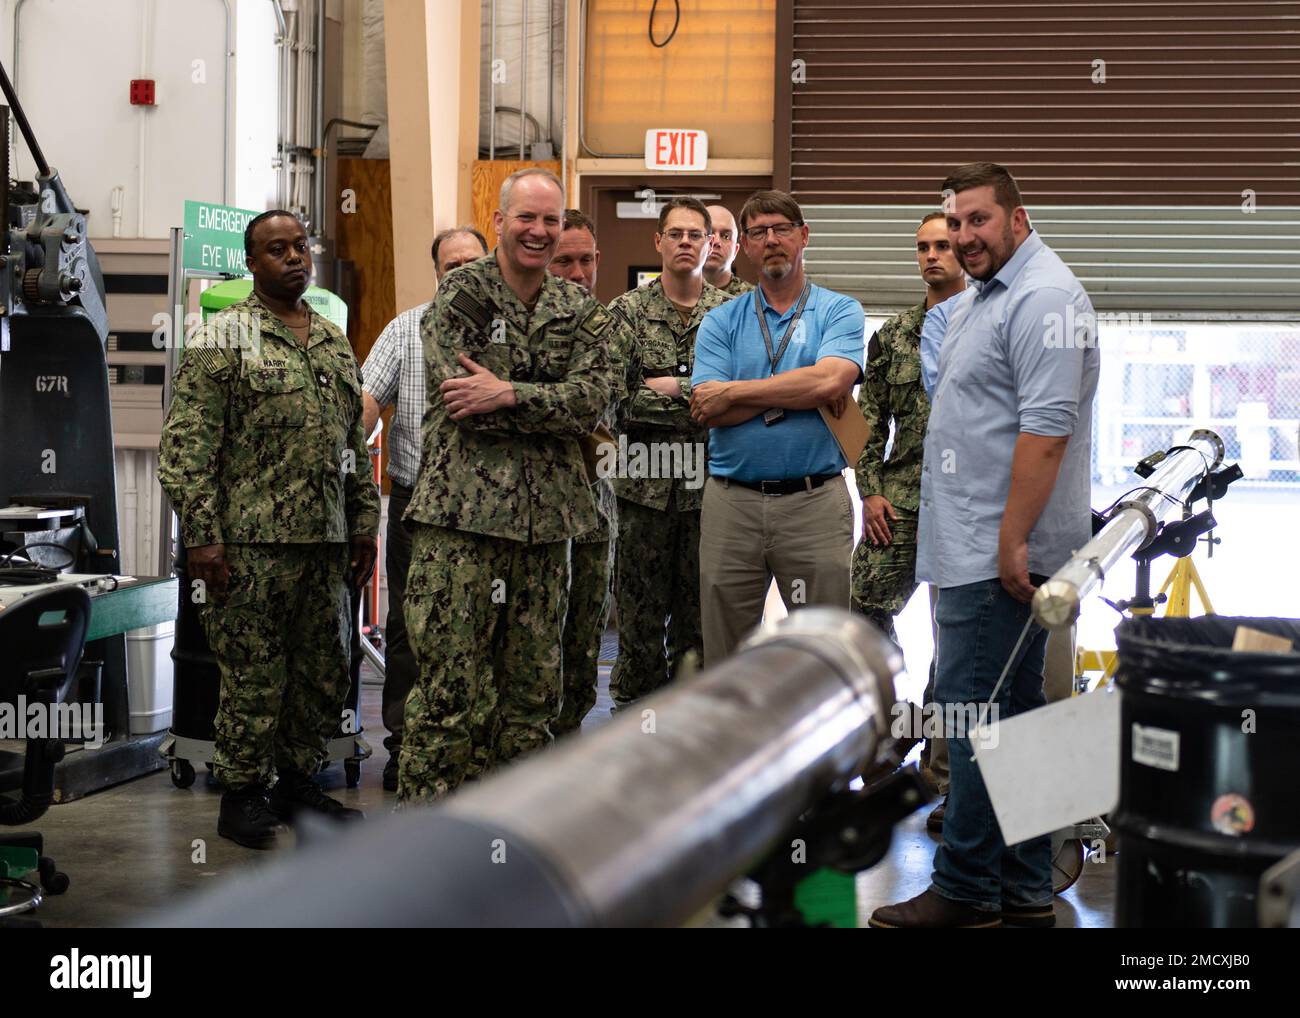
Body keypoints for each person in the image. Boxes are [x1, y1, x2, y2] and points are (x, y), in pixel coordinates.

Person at [870, 162, 1099, 929]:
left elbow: (1046, 430)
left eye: (979, 220)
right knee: (1016, 719)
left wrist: (1012, 540)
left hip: (997, 551)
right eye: (955, 222)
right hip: (974, 542)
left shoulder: (1042, 298)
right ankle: (1024, 886)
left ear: (1017, 218)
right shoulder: (989, 297)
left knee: (972, 718)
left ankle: (966, 890)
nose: (964, 236)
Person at [159, 209, 379, 849]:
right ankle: (242, 795)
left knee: (322, 672)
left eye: (300, 247)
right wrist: (203, 538)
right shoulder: (223, 338)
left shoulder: (332, 340)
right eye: (277, 250)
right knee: (254, 677)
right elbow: (187, 448)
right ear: (252, 263)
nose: (294, 258)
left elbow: (352, 443)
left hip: (326, 546)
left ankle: (296, 783)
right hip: (250, 549)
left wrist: (364, 525)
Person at [397, 168, 615, 802]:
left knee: (531, 700)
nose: (539, 231)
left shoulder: (578, 308)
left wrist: (509, 392)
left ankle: (508, 835)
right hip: (460, 525)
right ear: (499, 221)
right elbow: (462, 397)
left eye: (551, 220)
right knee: (450, 696)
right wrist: (545, 401)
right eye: (527, 217)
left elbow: (593, 402)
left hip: (546, 532)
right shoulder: (461, 294)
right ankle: (427, 837)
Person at [690, 189, 865, 664]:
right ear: (745, 246)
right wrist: (799, 390)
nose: (771, 240)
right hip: (733, 505)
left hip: (814, 503)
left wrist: (736, 391)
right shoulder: (720, 321)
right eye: (759, 232)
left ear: (803, 236)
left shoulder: (839, 310)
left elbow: (831, 381)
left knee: (824, 656)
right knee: (726, 658)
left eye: (782, 229)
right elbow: (709, 408)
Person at [360, 225, 488, 791]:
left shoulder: (508, 329)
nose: (460, 272)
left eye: (470, 262)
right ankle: (405, 746)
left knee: (485, 623)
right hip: (418, 504)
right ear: (436, 273)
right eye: (450, 265)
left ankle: (476, 749)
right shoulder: (404, 329)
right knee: (410, 628)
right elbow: (366, 403)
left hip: (491, 506)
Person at [852, 211, 965, 822]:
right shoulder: (894, 335)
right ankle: (895, 732)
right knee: (863, 614)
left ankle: (941, 769)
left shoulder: (987, 324)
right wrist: (869, 492)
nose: (931, 256)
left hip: (965, 504)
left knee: (957, 635)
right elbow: (866, 422)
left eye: (942, 245)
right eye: (922, 247)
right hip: (899, 501)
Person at [606, 197, 728, 707]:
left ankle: (691, 726)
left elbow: (738, 397)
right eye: (675, 234)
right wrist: (699, 395)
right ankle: (636, 728)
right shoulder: (625, 313)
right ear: (658, 241)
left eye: (695, 235)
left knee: (700, 625)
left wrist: (671, 387)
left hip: (712, 493)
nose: (685, 243)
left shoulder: (730, 314)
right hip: (642, 497)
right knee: (638, 624)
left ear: (710, 243)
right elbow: (615, 402)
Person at [547, 209, 615, 734]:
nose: (577, 273)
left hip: (597, 513)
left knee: (583, 642)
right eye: (563, 261)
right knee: (536, 639)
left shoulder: (613, 329)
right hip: (542, 516)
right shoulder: (526, 330)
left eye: (585, 260)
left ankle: (568, 738)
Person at [703, 204, 753, 297]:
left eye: (726, 236)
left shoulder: (753, 299)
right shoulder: (675, 293)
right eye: (709, 233)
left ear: (735, 251)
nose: (716, 242)